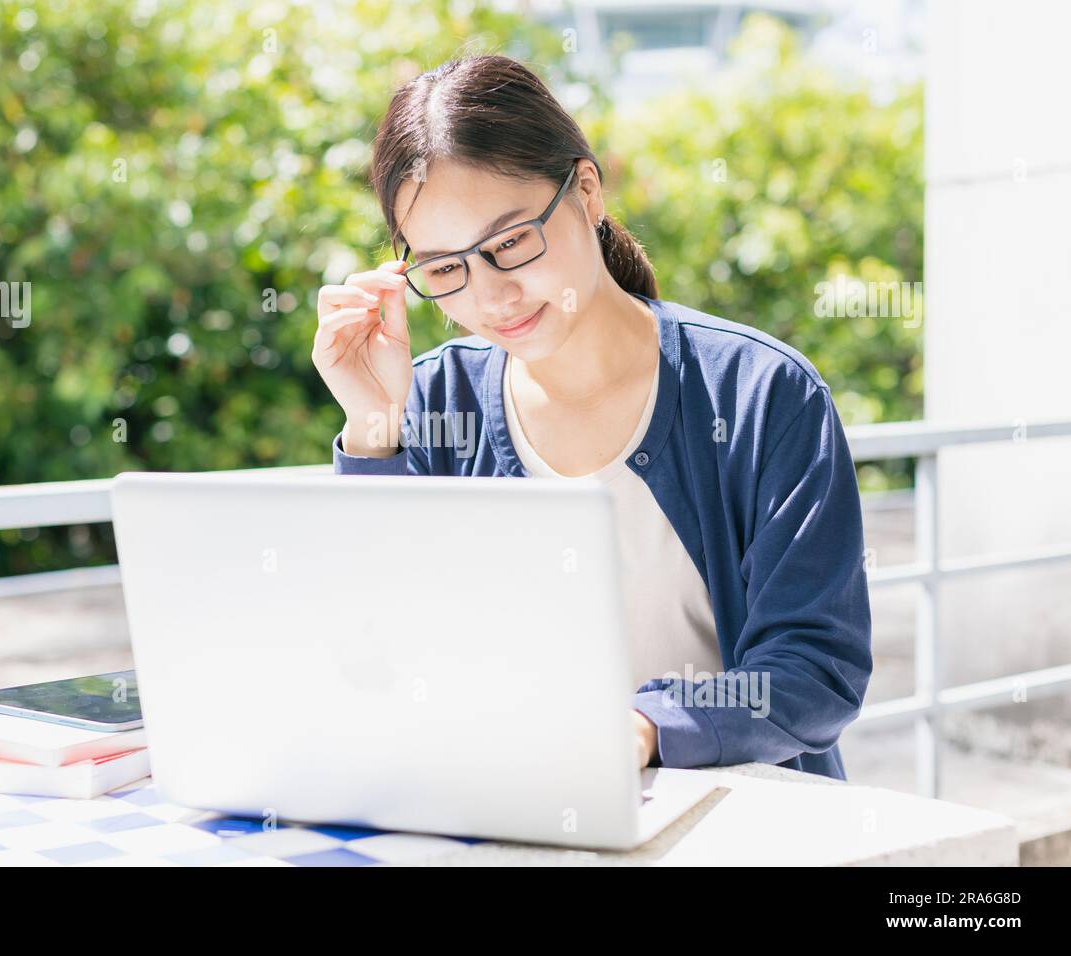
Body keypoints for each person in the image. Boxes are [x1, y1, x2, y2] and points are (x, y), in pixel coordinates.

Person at [310, 54, 872, 780]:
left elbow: (817, 670)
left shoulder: (759, 393)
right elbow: (372, 659)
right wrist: (374, 431)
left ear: (586, 190)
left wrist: (646, 726)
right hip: (505, 816)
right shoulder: (432, 404)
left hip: (739, 825)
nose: (493, 297)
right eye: (446, 268)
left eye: (511, 242)